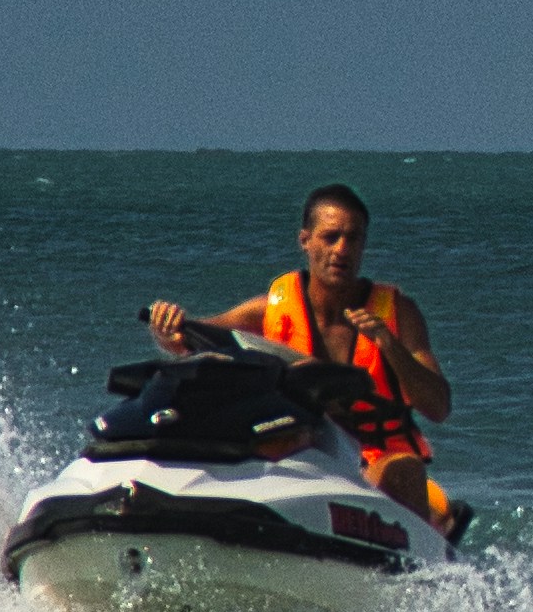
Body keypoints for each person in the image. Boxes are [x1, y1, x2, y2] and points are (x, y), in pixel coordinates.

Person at [148, 185, 456, 525]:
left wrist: (388, 344)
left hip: (374, 462)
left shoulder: (399, 314)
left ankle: (404, 561)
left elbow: (438, 407)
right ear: (305, 240)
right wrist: (167, 332)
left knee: (406, 468)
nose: (342, 249)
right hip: (300, 452)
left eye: (353, 239)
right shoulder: (269, 310)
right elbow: (194, 337)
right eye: (330, 237)